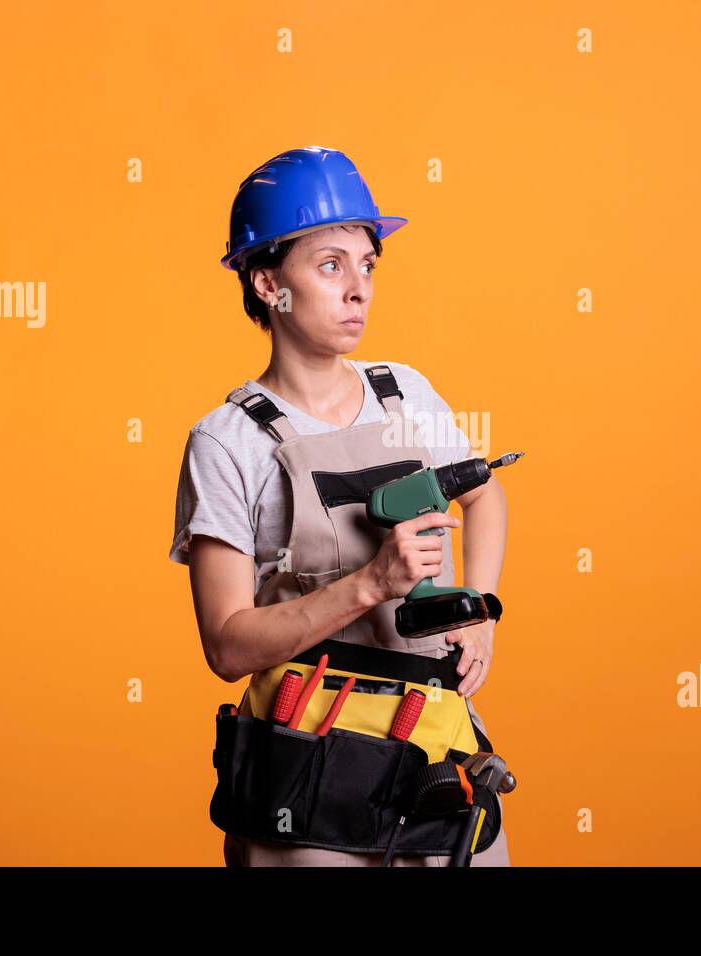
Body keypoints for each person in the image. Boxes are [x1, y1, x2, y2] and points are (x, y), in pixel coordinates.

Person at [169, 146, 512, 866]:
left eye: (367, 266)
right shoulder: (227, 442)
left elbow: (485, 494)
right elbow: (227, 647)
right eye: (330, 266)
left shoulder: (406, 394)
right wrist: (371, 584)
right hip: (308, 773)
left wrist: (479, 613)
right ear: (268, 283)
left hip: (436, 750)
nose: (359, 290)